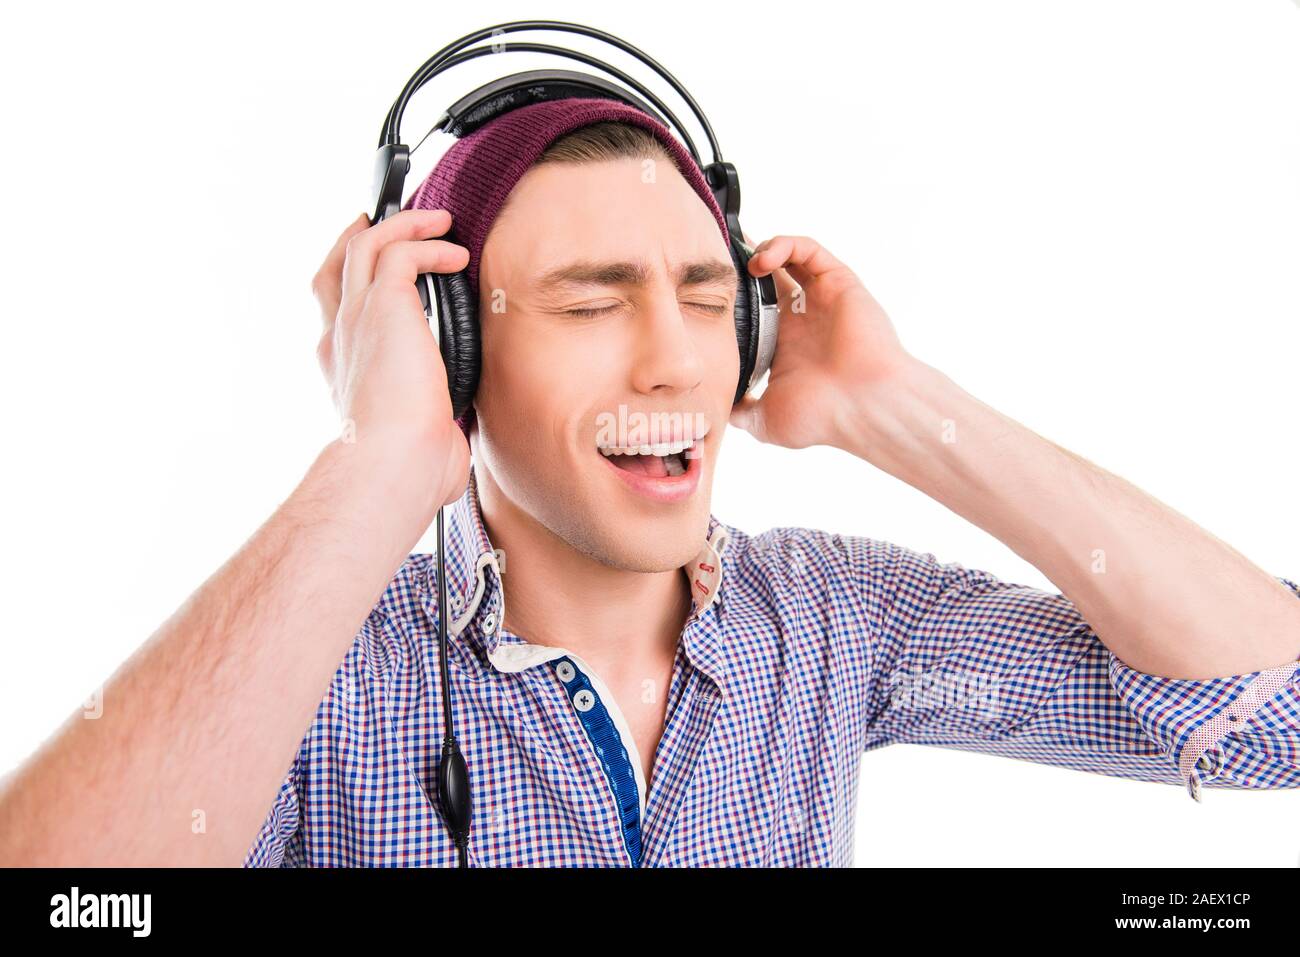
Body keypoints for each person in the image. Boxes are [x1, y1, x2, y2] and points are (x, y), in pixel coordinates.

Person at [1, 98, 1296, 868]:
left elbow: (1272, 721)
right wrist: (372, 469)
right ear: (451, 348)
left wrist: (892, 404)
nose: (677, 357)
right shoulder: (311, 672)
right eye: (589, 301)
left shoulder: (840, 623)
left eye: (705, 294)